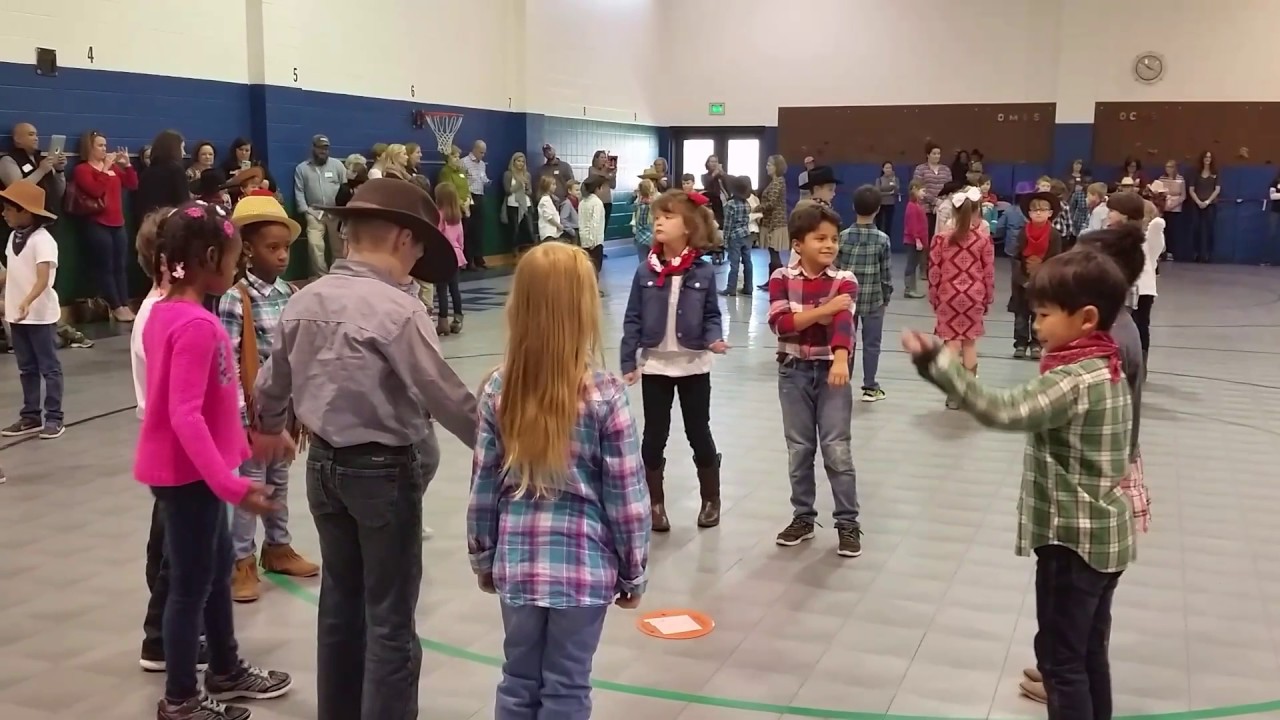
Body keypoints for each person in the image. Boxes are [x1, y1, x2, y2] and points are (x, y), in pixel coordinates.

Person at [250, 178, 478, 720]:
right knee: (391, 618)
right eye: (419, 250)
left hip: (323, 469)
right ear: (403, 240)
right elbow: (446, 399)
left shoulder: (302, 299)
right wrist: (510, 450)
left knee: (340, 605)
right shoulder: (399, 312)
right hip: (383, 475)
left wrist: (274, 428)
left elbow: (268, 387)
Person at [902, 249, 1135, 720]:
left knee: (1060, 663)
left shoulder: (1071, 380)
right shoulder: (1108, 365)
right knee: (1089, 653)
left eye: (1046, 316)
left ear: (1087, 318)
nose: (1039, 327)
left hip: (1072, 543)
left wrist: (940, 363)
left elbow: (1001, 410)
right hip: (1107, 539)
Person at [467, 241, 650, 719]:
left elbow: (484, 487)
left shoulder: (496, 388)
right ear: (584, 311)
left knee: (518, 680)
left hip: (518, 564)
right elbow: (627, 497)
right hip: (584, 572)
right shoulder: (606, 394)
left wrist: (484, 556)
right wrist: (633, 570)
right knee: (568, 687)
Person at [134, 201, 292, 720]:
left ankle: (225, 667)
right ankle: (180, 698)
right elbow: (184, 415)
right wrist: (229, 483)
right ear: (208, 259)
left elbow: (209, 404)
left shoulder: (164, 312)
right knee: (190, 586)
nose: (235, 266)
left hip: (194, 472)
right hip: (190, 478)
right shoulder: (197, 325)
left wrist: (255, 445)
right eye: (231, 257)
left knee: (215, 568)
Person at [216, 196, 319, 603]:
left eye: (285, 248)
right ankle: (240, 560)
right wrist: (241, 420)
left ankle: (278, 548)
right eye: (271, 248)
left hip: (284, 413)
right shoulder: (235, 298)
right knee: (250, 484)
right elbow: (227, 364)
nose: (281, 256)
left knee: (278, 480)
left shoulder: (290, 293)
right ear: (246, 251)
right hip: (251, 415)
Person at [620, 190, 726, 533]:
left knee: (699, 431)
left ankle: (711, 498)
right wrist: (628, 362)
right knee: (654, 435)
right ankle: (654, 503)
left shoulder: (703, 272)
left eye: (668, 216)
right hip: (656, 366)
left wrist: (714, 338)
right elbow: (632, 318)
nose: (660, 222)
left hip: (693, 364)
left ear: (689, 227)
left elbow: (712, 313)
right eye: (657, 217)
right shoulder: (644, 271)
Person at [767, 202, 862, 557]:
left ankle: (848, 523)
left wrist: (840, 358)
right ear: (797, 244)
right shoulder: (781, 278)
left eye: (834, 239)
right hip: (792, 372)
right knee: (799, 449)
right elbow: (781, 323)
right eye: (819, 238)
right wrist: (824, 310)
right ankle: (803, 518)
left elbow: (844, 323)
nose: (829, 245)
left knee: (837, 449)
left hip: (830, 372)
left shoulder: (844, 280)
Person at [129, 206, 199, 674]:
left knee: (170, 544)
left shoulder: (164, 307)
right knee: (180, 551)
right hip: (179, 453)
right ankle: (162, 640)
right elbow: (182, 405)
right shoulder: (165, 316)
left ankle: (169, 637)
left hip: (170, 449)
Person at [1, 181, 65, 440]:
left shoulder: (43, 241)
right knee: (26, 367)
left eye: (8, 209)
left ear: (25, 211)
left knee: (49, 367)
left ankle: (54, 417)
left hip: (39, 315)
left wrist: (27, 301)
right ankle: (30, 415)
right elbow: (13, 273)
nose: (3, 213)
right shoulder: (12, 238)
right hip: (18, 316)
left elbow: (42, 279)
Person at [928, 186, 995, 409]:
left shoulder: (940, 239)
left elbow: (934, 271)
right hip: (974, 295)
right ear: (977, 212)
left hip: (949, 295)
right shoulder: (983, 240)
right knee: (969, 344)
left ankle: (953, 393)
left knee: (951, 345)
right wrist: (988, 298)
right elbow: (988, 272)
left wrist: (934, 296)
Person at [835, 185, 892, 402]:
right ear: (878, 209)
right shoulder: (882, 239)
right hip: (873, 299)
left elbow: (836, 269)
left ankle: (842, 383)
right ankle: (870, 386)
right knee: (872, 344)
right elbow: (885, 274)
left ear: (852, 206)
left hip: (845, 301)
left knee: (846, 341)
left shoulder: (842, 237)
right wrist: (885, 297)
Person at [1009, 191, 1064, 360]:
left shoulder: (1054, 235)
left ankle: (1036, 344)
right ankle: (1020, 343)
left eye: (1043, 209)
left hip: (1043, 283)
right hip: (1022, 283)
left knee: (1039, 315)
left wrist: (1043, 278)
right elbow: (1016, 257)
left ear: (1050, 213)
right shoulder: (1022, 233)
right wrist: (1022, 279)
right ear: (1029, 214)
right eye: (1034, 210)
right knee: (1021, 315)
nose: (1038, 213)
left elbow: (1055, 259)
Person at [293, 135, 346, 276]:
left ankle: (338, 276)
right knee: (315, 246)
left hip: (335, 212)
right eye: (320, 148)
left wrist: (344, 209)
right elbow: (299, 191)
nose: (323, 151)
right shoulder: (302, 168)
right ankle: (320, 276)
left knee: (338, 248)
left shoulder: (337, 166)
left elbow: (345, 187)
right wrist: (305, 210)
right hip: (314, 213)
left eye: (326, 148)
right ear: (313, 148)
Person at [433, 182, 467, 336]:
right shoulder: (457, 216)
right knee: (455, 289)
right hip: (457, 254)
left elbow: (436, 236)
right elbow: (460, 238)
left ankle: (443, 322)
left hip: (442, 255)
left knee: (441, 290)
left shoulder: (438, 215)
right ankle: (458, 319)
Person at [719, 175, 753, 296]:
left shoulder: (731, 204)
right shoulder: (747, 203)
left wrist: (725, 240)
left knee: (734, 264)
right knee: (748, 262)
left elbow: (728, 224)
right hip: (746, 235)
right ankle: (748, 288)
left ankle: (731, 289)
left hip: (734, 236)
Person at [758, 155, 789, 286]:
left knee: (774, 252)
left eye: (769, 165)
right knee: (772, 252)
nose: (767, 167)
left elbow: (772, 203)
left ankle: (777, 281)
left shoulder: (777, 182)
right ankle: (773, 280)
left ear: (777, 167)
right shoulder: (775, 181)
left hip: (775, 223)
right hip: (770, 222)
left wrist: (756, 208)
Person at [461, 140, 490, 269]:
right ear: (475, 149)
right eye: (481, 152)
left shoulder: (482, 165)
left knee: (479, 229)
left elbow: (483, 178)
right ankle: (469, 259)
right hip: (469, 196)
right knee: (469, 230)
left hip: (480, 196)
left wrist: (487, 181)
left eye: (484, 153)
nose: (482, 155)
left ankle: (479, 257)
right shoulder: (464, 162)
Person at [1188, 150, 1220, 263]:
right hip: (1196, 204)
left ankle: (1208, 254)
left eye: (1209, 157)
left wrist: (1207, 202)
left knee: (1209, 229)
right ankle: (1196, 253)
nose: (1207, 159)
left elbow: (1217, 189)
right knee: (1196, 229)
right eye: (1206, 157)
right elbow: (1191, 189)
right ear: (1202, 158)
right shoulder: (1196, 172)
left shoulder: (1215, 172)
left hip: (1210, 205)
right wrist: (1198, 202)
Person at [901, 180, 928, 298]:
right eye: (923, 191)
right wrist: (917, 239)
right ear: (915, 189)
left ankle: (911, 288)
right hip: (913, 241)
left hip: (917, 240)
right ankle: (909, 289)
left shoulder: (917, 205)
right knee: (911, 264)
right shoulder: (912, 206)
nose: (924, 194)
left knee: (914, 264)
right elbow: (913, 225)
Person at [578, 176, 607, 281]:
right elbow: (595, 223)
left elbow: (580, 221)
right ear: (597, 188)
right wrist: (592, 242)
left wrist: (585, 240)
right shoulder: (597, 203)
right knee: (595, 268)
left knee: (586, 267)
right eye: (602, 187)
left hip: (584, 240)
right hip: (595, 242)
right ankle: (593, 289)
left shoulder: (582, 202)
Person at [873, 161, 899, 238]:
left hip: (890, 204)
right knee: (879, 224)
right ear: (883, 169)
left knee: (888, 225)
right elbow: (877, 192)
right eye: (886, 168)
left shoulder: (895, 179)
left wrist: (894, 183)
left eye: (890, 168)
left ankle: (887, 243)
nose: (888, 170)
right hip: (880, 205)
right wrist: (889, 193)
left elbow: (896, 191)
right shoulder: (879, 179)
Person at [632, 179, 655, 259]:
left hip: (640, 238)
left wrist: (633, 196)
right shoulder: (654, 205)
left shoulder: (638, 205)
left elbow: (627, 204)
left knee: (643, 262)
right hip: (652, 238)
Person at [535, 176, 563, 243]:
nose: (555, 187)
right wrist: (558, 225)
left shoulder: (549, 199)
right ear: (546, 186)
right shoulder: (545, 200)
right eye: (553, 184)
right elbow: (548, 217)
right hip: (548, 232)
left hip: (552, 232)